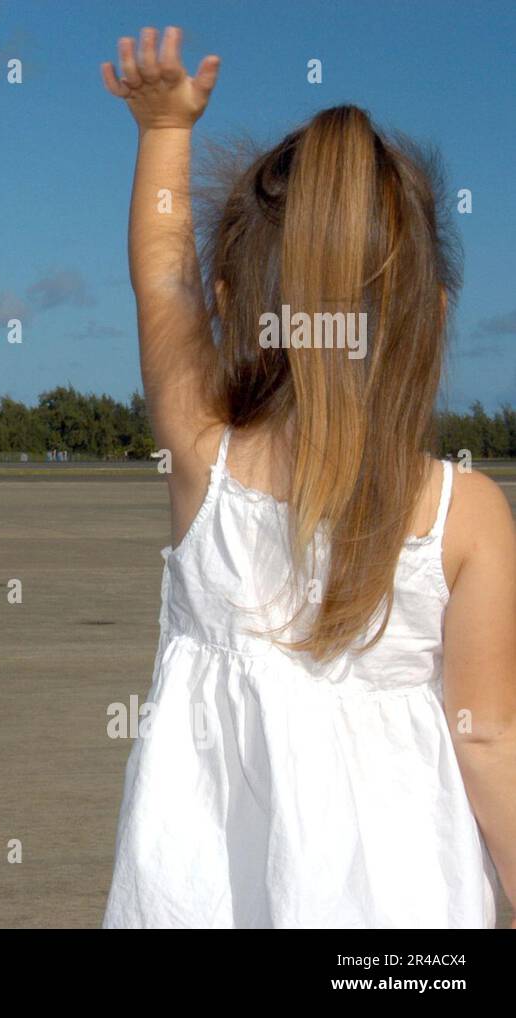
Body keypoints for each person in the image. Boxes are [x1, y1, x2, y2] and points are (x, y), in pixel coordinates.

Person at [98, 26, 516, 928]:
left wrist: (164, 130)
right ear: (434, 314)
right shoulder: (467, 514)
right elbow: (489, 744)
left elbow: (159, 282)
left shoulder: (203, 461)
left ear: (229, 297)